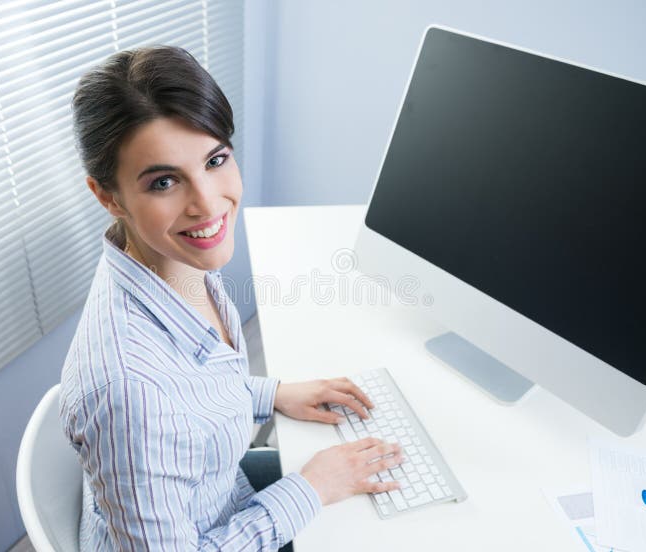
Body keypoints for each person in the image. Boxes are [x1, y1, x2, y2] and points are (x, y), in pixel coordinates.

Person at [59, 44, 403, 551]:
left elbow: (188, 394)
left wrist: (270, 394)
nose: (207, 203)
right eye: (164, 182)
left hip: (218, 493)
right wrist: (312, 488)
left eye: (215, 160)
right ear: (108, 196)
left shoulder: (169, 260)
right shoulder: (129, 396)